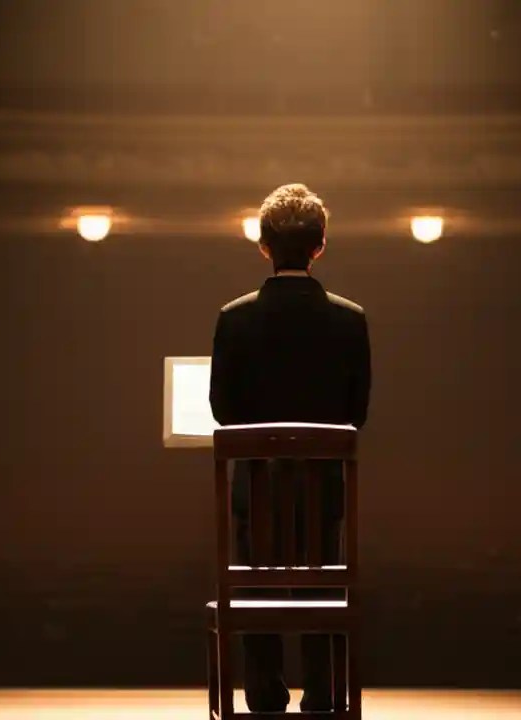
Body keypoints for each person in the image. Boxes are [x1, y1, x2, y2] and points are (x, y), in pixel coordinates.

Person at [209, 183, 371, 713]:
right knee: (323, 579)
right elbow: (356, 415)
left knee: (255, 581)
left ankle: (263, 691)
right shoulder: (350, 320)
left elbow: (222, 411)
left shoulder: (233, 319)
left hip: (255, 491)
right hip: (324, 494)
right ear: (320, 245)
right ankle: (323, 692)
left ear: (263, 244)